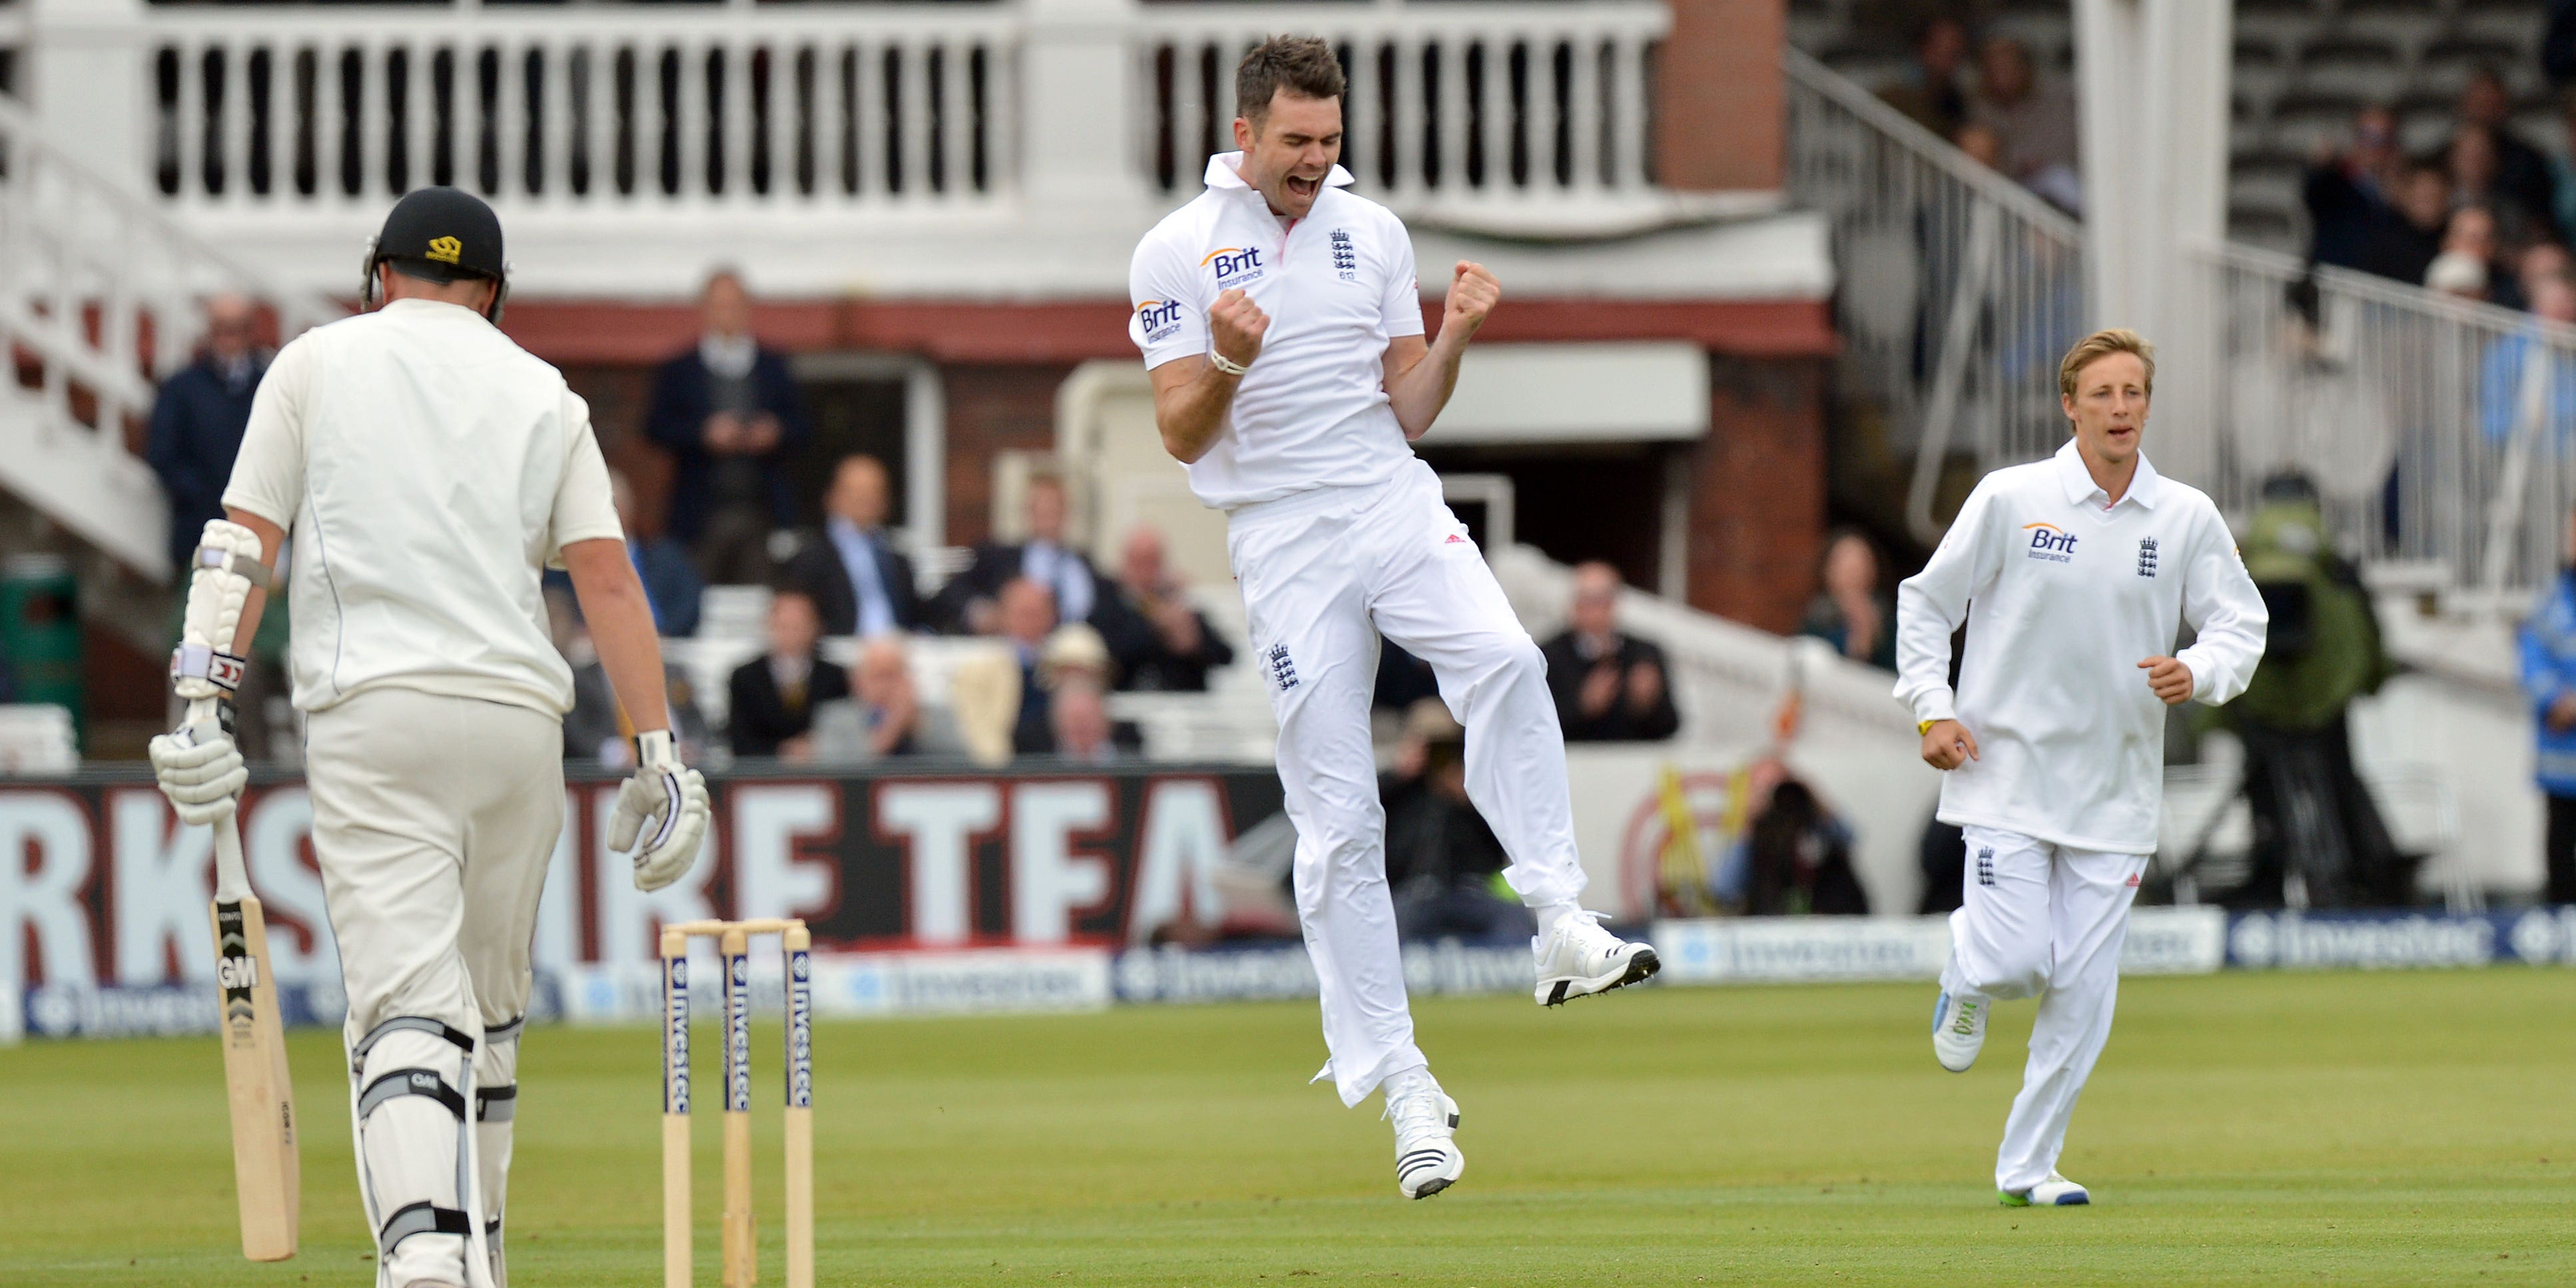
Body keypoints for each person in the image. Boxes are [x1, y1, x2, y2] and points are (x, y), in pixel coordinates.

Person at [146, 188, 709, 1288]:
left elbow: (240, 542)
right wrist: (659, 755)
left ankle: (424, 1258)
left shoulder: (314, 362)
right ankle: (476, 1253)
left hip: (377, 712)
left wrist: (201, 697)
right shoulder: (544, 390)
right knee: (488, 1012)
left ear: (380, 273)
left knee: (406, 1005)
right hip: (517, 725)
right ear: (493, 291)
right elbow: (605, 574)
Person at [1127, 34, 1656, 1201]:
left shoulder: (1375, 234)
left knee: (1510, 656)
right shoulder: (1173, 249)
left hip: (1387, 493)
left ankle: (1560, 918)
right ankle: (1405, 1084)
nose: (1317, 160)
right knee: (1337, 822)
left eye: (1330, 138)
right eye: (1297, 141)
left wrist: (1458, 330)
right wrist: (1224, 360)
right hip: (1280, 531)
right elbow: (1178, 431)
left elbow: (1406, 405)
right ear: (1244, 134)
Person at [1895, 328, 2265, 1208]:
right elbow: (1925, 600)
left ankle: (2028, 1167)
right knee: (2020, 961)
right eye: (2102, 393)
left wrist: (2200, 671)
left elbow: (2237, 625)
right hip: (2006, 773)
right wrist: (1930, 707)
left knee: (2084, 992)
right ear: (2070, 404)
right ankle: (1967, 967)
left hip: (2116, 789)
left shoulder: (2183, 515)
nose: (2121, 408)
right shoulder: (2013, 497)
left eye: (2134, 392)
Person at [2222, 475, 2406, 908]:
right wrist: (2371, 679)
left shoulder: (2242, 560)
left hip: (2260, 699)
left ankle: (2270, 878)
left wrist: (2219, 714)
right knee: (2340, 783)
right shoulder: (2334, 565)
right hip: (2327, 701)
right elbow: (2367, 636)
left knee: (2264, 793)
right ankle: (2361, 880)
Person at [146, 294, 292, 759]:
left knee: (264, 656)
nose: (231, 340)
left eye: (240, 329)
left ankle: (266, 761)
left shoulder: (273, 384)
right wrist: (216, 507)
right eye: (222, 329)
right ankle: (193, 747)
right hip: (203, 544)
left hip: (272, 550)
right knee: (199, 653)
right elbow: (164, 455)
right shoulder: (183, 388)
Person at [646, 269, 810, 585]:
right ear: (704, 309)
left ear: (748, 309)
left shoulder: (773, 366)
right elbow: (656, 428)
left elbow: (802, 426)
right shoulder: (680, 368)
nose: (728, 314)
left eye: (735, 305)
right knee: (694, 593)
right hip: (699, 513)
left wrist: (774, 432)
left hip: (761, 511)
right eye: (720, 305)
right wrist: (703, 434)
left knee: (762, 595)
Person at [932, 473, 1102, 635]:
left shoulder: (1081, 564)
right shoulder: (996, 557)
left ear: (1067, 513)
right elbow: (951, 592)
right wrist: (980, 612)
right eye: (1041, 508)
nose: (1048, 515)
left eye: (1055, 508)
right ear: (1028, 512)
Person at [1538, 561, 1680, 741]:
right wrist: (1582, 707)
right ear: (1574, 606)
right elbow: (1537, 726)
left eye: (1604, 601)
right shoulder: (1550, 655)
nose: (1597, 610)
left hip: (1631, 762)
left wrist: (1646, 704)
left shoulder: (1644, 653)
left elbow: (1671, 726)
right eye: (1588, 601)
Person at [785, 453, 922, 636]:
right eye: (857, 491)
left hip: (898, 652)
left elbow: (917, 616)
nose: (867, 499)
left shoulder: (897, 560)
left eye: (875, 491)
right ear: (832, 496)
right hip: (839, 654)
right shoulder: (810, 558)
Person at [1092, 523, 1235, 691]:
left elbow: (1225, 655)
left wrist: (1193, 641)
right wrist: (1156, 626)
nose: (1146, 571)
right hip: (1129, 704)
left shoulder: (1179, 604)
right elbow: (1108, 653)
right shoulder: (1106, 601)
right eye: (1139, 561)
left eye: (1153, 561)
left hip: (1186, 705)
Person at [2523, 505, 2576, 904]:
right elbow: (2531, 662)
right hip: (2562, 762)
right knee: (2561, 847)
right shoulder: (2550, 605)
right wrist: (2560, 701)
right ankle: (2558, 930)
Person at [727, 589, 848, 761]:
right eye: (784, 626)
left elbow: (843, 733)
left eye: (799, 626)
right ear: (770, 625)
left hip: (822, 772)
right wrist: (782, 752)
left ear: (816, 627)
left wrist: (816, 749)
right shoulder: (746, 678)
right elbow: (740, 739)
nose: (791, 634)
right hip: (762, 774)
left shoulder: (834, 677)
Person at [1969, 37, 2081, 214]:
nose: (2003, 76)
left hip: (2052, 181)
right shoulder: (1980, 110)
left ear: (2025, 68)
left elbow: (2067, 149)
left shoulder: (2056, 100)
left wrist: (2040, 163)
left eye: (2008, 68)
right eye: (1995, 69)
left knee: (2061, 180)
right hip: (2007, 187)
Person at [810, 635, 961, 763]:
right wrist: (894, 725)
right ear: (858, 681)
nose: (887, 686)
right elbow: (836, 767)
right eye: (879, 676)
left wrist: (917, 725)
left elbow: (965, 759)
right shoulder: (836, 717)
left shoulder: (936, 715)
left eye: (893, 675)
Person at [1740, 777, 1870, 916]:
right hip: (1774, 924)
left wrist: (1820, 804)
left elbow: (1851, 838)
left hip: (1834, 918)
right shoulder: (1760, 836)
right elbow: (1724, 887)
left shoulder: (1822, 827)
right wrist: (1749, 825)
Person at [2304, 106, 2401, 272]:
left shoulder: (2398, 187)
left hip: (2375, 283)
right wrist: (2320, 166)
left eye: (2381, 139)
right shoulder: (2334, 180)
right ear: (2355, 138)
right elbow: (2313, 193)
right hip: (2334, 281)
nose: (2373, 146)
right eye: (2366, 136)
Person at [609, 468, 703, 637]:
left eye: (613, 505)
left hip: (666, 648)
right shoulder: (566, 564)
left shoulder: (669, 557)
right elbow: (561, 605)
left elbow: (689, 605)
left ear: (630, 507)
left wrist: (664, 634)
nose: (607, 515)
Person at [1799, 529, 1898, 670]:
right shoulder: (1816, 618)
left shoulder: (1888, 622)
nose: (1853, 572)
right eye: (1845, 564)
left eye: (1860, 564)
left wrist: (1869, 639)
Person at [990, 576, 1060, 755]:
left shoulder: (1064, 660)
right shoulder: (984, 668)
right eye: (1024, 613)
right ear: (1003, 616)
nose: (1031, 622)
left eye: (1038, 613)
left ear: (1052, 617)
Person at [1879, 15, 1972, 140]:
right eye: (1941, 48)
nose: (1947, 57)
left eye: (1954, 52)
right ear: (1924, 48)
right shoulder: (1893, 93)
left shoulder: (1957, 99)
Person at [2360, 162, 2451, 287]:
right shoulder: (2385, 240)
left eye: (2434, 196)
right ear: (2408, 196)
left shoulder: (2452, 240)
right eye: (2423, 198)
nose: (2428, 204)